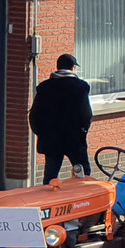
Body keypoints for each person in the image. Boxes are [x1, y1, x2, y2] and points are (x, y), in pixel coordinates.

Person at [30, 53, 93, 183]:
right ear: (73, 68)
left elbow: (35, 114)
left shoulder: (44, 87)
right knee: (83, 173)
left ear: (57, 67)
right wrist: (83, 131)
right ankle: (81, 198)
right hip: (74, 138)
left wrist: (41, 133)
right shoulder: (81, 87)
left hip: (51, 138)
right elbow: (86, 114)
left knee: (50, 175)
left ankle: (49, 200)